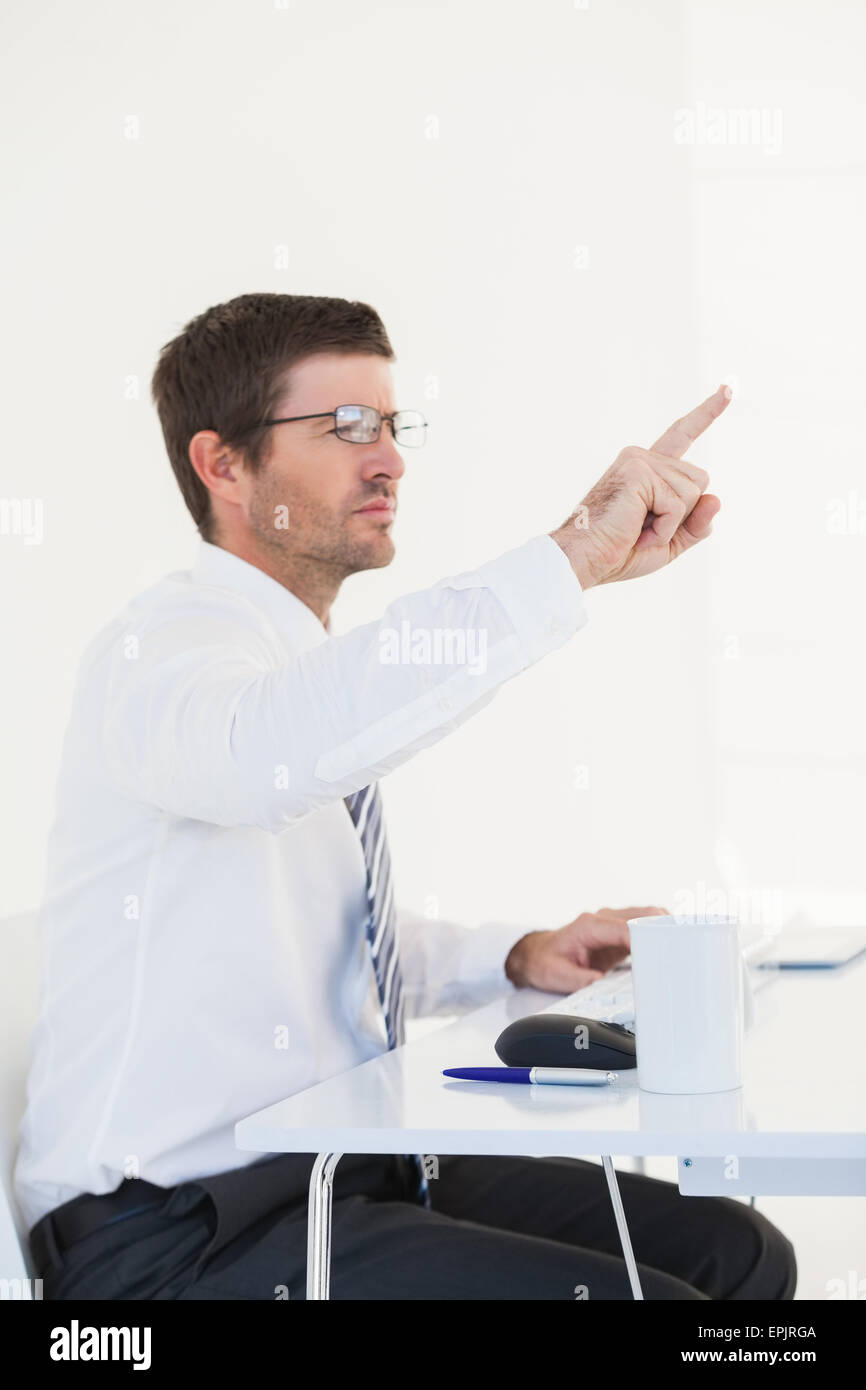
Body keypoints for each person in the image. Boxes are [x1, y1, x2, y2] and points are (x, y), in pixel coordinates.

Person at [15, 293, 796, 1300]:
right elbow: (271, 753)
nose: (385, 457)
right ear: (223, 465)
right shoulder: (163, 654)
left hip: (337, 1174)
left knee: (734, 1254)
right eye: (343, 427)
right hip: (176, 1235)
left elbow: (327, 939)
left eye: (389, 424)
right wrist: (568, 559)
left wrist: (511, 955)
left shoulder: (294, 669)